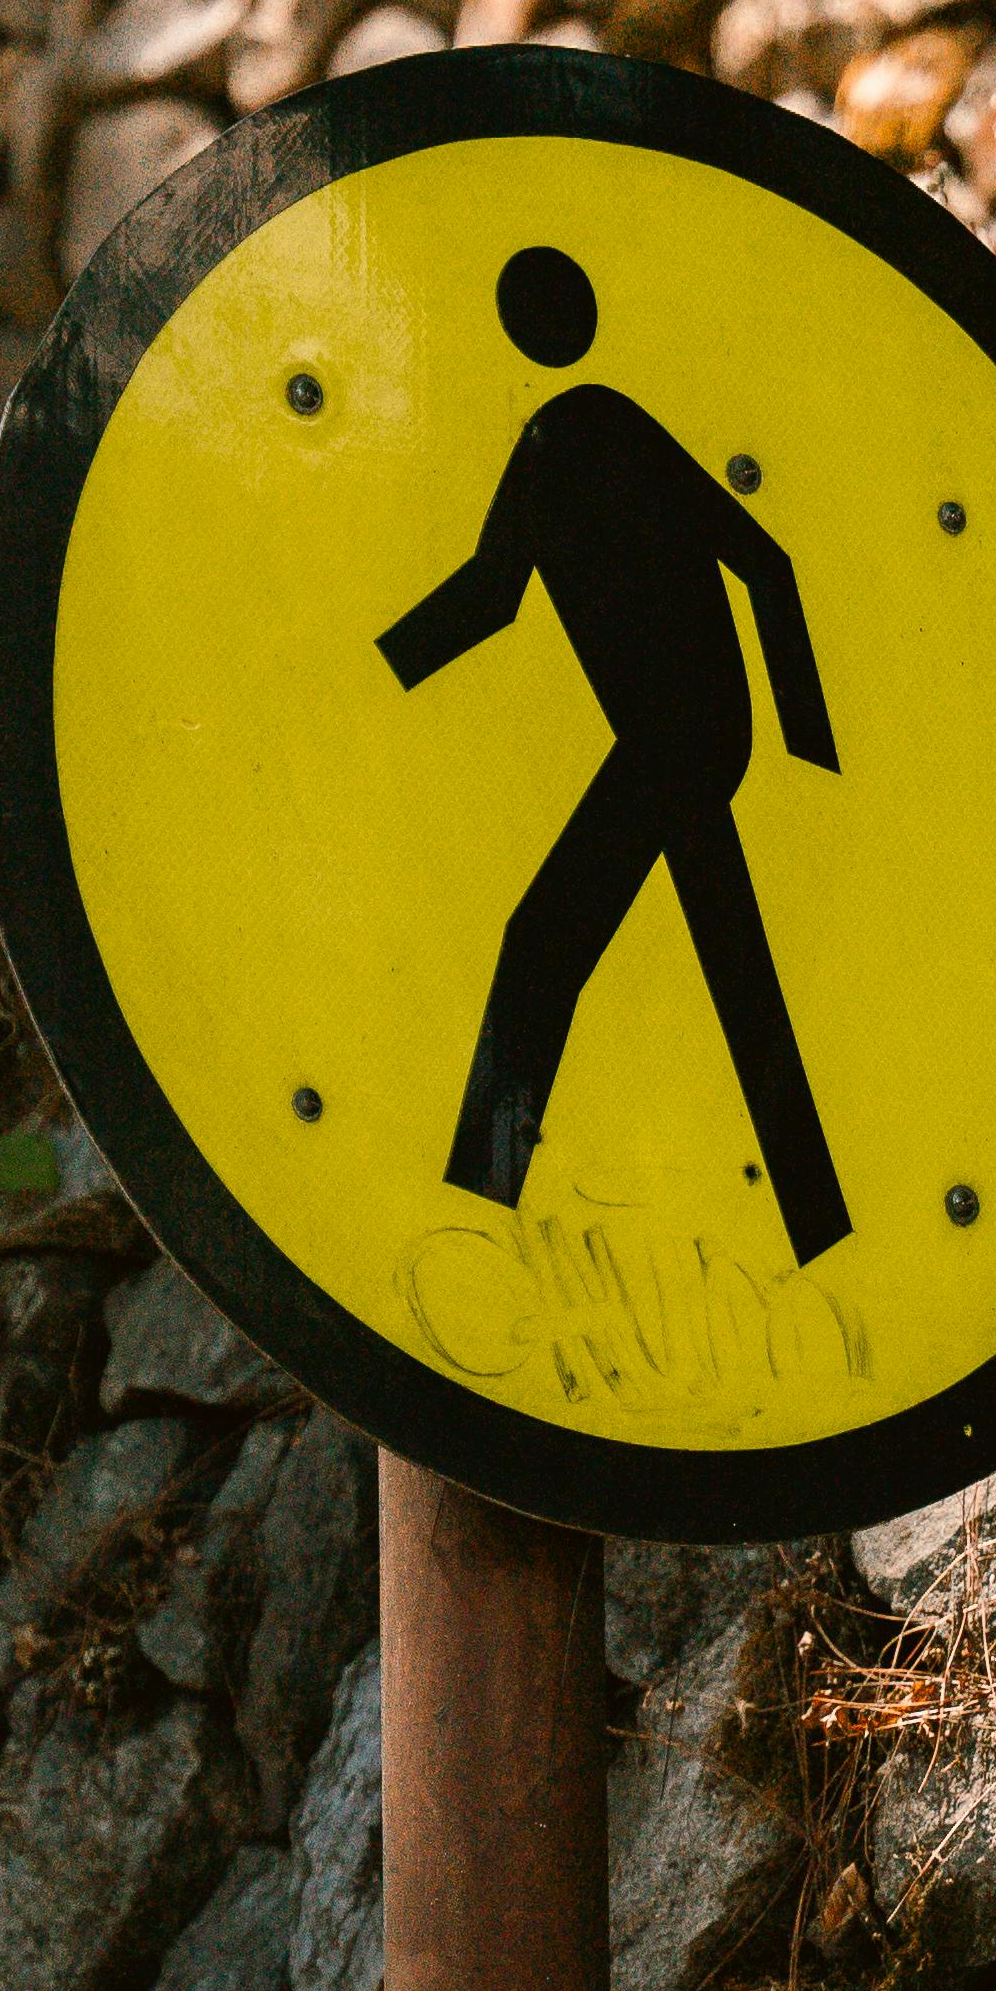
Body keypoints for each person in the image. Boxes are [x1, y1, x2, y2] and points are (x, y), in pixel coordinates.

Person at [373, 239, 850, 1263]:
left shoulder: (594, 430)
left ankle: (469, 1206)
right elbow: (491, 595)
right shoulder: (556, 438)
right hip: (686, 736)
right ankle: (819, 1214)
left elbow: (764, 561)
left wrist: (814, 746)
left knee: (541, 942)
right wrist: (376, 669)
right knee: (734, 969)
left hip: (686, 735)